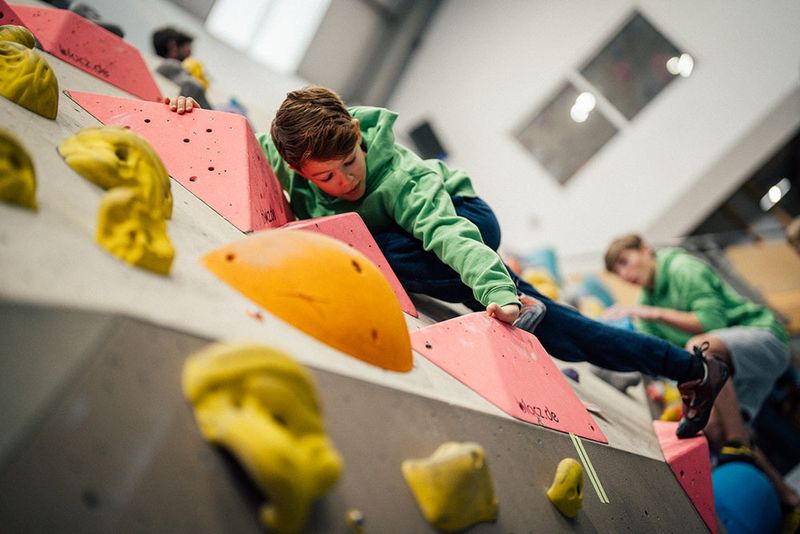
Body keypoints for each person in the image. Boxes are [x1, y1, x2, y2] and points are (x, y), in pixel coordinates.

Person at [166, 87, 730, 440]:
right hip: (413, 247)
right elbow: (240, 145)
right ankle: (692, 369)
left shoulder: (402, 179)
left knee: (357, 240)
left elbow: (446, 231)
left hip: (465, 220)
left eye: (348, 163)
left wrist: (495, 290)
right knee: (558, 330)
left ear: (359, 137)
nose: (344, 181)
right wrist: (191, 113)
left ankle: (512, 295)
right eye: (324, 178)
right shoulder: (291, 162)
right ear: (300, 168)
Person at [604, 233, 798, 507]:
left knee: (700, 347)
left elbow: (711, 323)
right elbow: (656, 352)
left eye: (625, 261)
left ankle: (737, 443)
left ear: (645, 250)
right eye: (617, 271)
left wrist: (654, 313)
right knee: (713, 426)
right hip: (731, 367)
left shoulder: (681, 268)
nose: (625, 274)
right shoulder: (647, 303)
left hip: (764, 339)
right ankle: (788, 499)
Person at [151, 27, 212, 110]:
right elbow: (190, 85)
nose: (190, 54)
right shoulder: (170, 65)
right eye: (187, 49)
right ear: (172, 46)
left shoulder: (158, 68)